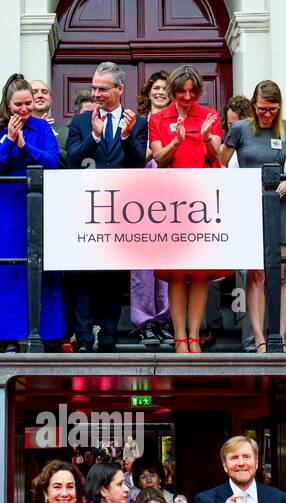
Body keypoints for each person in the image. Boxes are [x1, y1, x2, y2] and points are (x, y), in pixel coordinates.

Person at [0, 74, 65, 352]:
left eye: (28, 104)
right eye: (18, 105)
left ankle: (44, 334)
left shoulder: (42, 128)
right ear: (7, 105)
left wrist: (26, 146)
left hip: (36, 204)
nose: (24, 110)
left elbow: (52, 162)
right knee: (7, 269)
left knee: (40, 267)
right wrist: (10, 141)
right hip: (4, 208)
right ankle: (8, 338)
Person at [66, 61, 149, 353]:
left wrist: (125, 136)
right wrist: (96, 136)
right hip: (86, 213)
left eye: (102, 89)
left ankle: (110, 336)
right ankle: (85, 338)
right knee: (83, 276)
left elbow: (138, 163)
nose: (96, 94)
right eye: (94, 88)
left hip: (121, 214)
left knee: (114, 278)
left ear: (119, 89)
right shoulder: (79, 122)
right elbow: (73, 160)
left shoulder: (137, 123)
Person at [150, 65, 229, 354]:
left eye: (191, 91)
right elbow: (158, 157)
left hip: (202, 201)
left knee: (198, 272)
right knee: (175, 272)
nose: (186, 96)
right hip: (171, 202)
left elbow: (217, 157)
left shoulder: (210, 116)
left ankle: (194, 336)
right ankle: (179, 336)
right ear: (172, 91)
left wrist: (207, 137)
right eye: (181, 91)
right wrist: (177, 141)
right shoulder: (159, 118)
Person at [222, 81, 286, 353]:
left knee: (283, 273)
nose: (267, 114)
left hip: (279, 205)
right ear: (254, 105)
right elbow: (220, 161)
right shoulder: (240, 128)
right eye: (263, 109)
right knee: (257, 274)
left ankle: (280, 338)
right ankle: (260, 339)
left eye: (273, 109)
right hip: (248, 205)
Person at [130, 70, 173, 348]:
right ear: (148, 93)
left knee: (168, 268)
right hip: (140, 203)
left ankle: (166, 321)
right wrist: (158, 148)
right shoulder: (138, 125)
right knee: (142, 269)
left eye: (165, 88)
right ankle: (144, 323)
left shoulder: (173, 123)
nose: (160, 92)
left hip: (172, 203)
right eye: (156, 87)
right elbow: (132, 159)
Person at [29, 79, 69, 161]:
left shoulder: (66, 132)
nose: (40, 95)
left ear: (51, 100)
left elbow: (71, 162)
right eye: (34, 92)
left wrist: (44, 132)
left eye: (44, 92)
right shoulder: (20, 129)